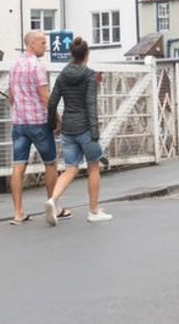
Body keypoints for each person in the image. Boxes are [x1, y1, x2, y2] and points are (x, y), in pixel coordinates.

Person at [44, 37, 113, 223]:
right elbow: (91, 104)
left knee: (70, 169)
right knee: (93, 168)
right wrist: (95, 133)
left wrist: (52, 124)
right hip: (85, 128)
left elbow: (52, 102)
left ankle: (53, 199)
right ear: (87, 55)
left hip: (68, 129)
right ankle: (93, 211)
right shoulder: (90, 75)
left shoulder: (62, 75)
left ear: (71, 54)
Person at [8, 31, 64, 225]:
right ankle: (54, 204)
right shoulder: (38, 66)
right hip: (38, 122)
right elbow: (45, 97)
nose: (45, 46)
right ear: (31, 43)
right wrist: (56, 117)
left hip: (19, 123)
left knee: (18, 166)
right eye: (42, 42)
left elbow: (10, 96)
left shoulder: (14, 65)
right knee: (50, 163)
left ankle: (18, 212)